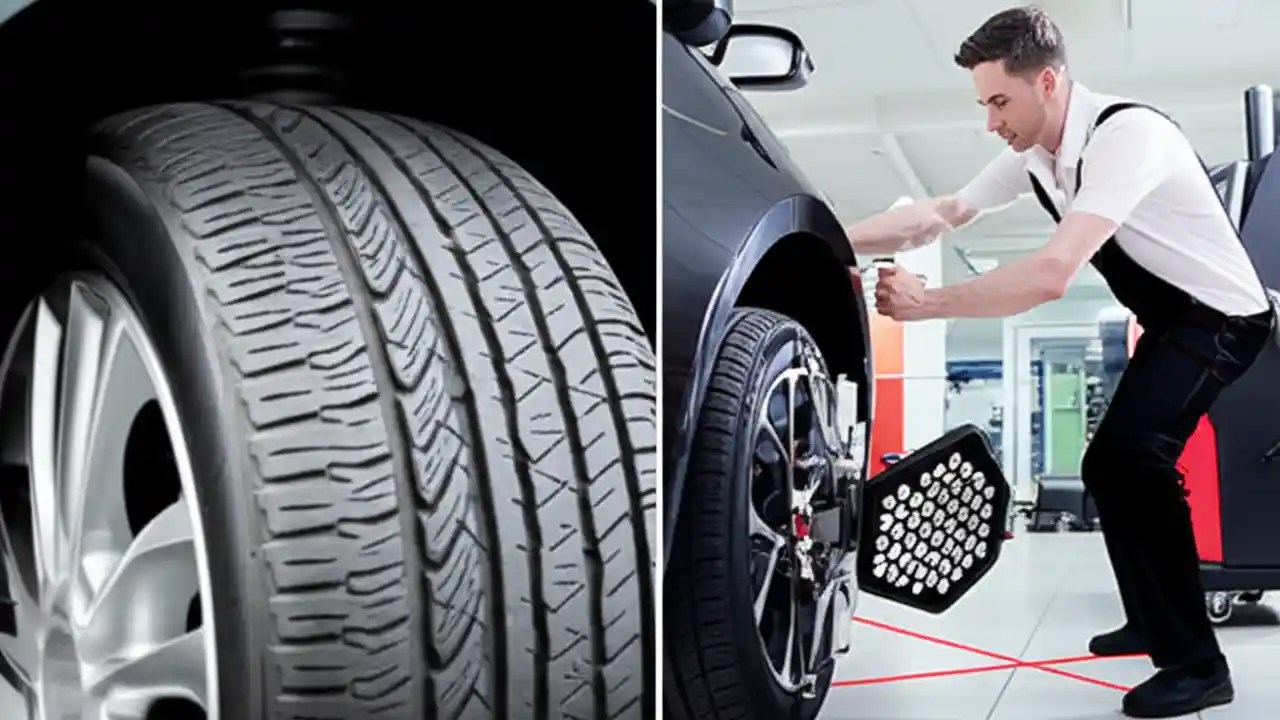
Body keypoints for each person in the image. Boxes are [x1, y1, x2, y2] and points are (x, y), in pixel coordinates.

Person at [844, 6, 1274, 719]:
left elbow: (1051, 274)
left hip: (1223, 319)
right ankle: (1153, 619)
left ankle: (1198, 666)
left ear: (1046, 82)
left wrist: (928, 304)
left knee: (1133, 460)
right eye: (984, 105)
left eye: (1000, 102)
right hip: (1175, 319)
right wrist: (830, 238)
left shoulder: (1127, 136)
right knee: (1111, 465)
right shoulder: (1036, 156)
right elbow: (941, 212)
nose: (991, 122)